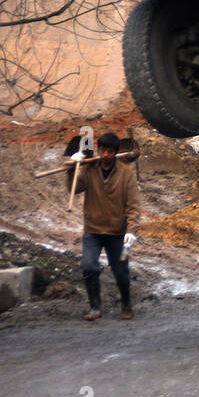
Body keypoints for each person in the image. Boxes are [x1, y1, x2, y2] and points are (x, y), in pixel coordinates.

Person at [69, 132, 140, 320]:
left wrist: (131, 231)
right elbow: (73, 188)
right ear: (98, 150)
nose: (106, 154)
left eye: (110, 151)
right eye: (102, 150)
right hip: (93, 230)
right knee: (89, 267)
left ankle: (126, 303)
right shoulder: (90, 169)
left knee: (121, 273)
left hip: (116, 232)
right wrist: (73, 167)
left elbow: (133, 206)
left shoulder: (126, 174)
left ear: (116, 152)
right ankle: (95, 307)